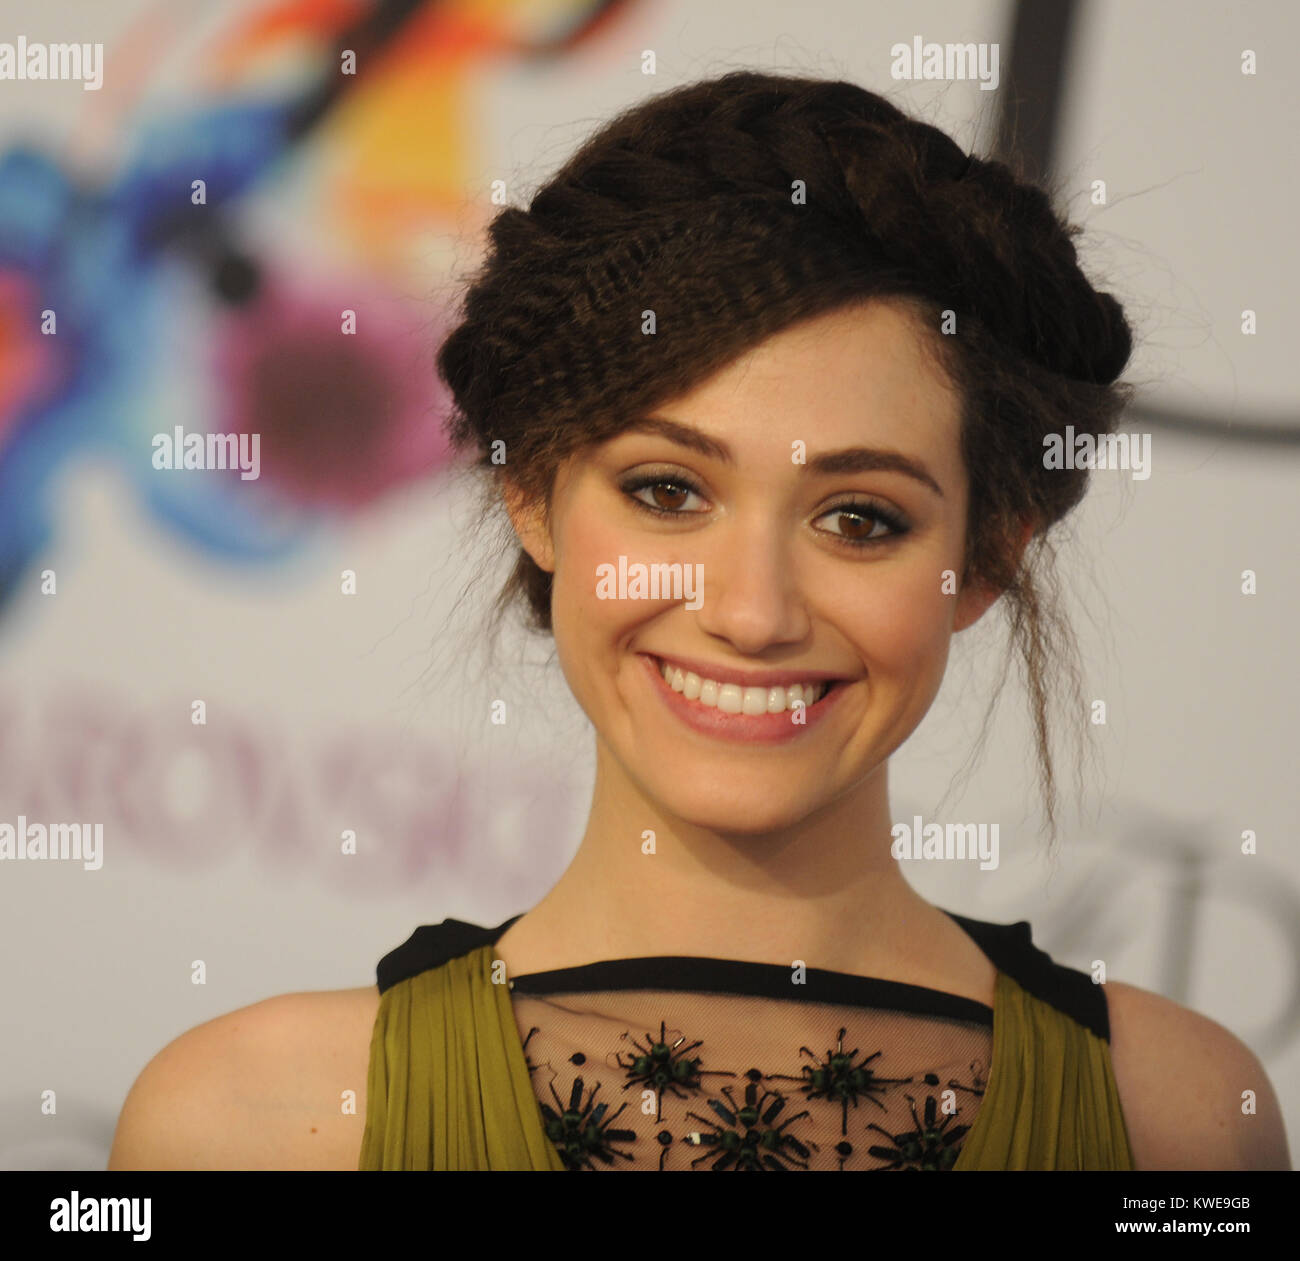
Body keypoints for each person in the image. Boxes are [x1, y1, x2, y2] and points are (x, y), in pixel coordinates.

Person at [108, 70, 1290, 1171]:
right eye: (667, 491)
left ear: (984, 558)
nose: (753, 612)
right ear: (533, 495)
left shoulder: (1175, 1119)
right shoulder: (250, 1125)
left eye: (861, 518)